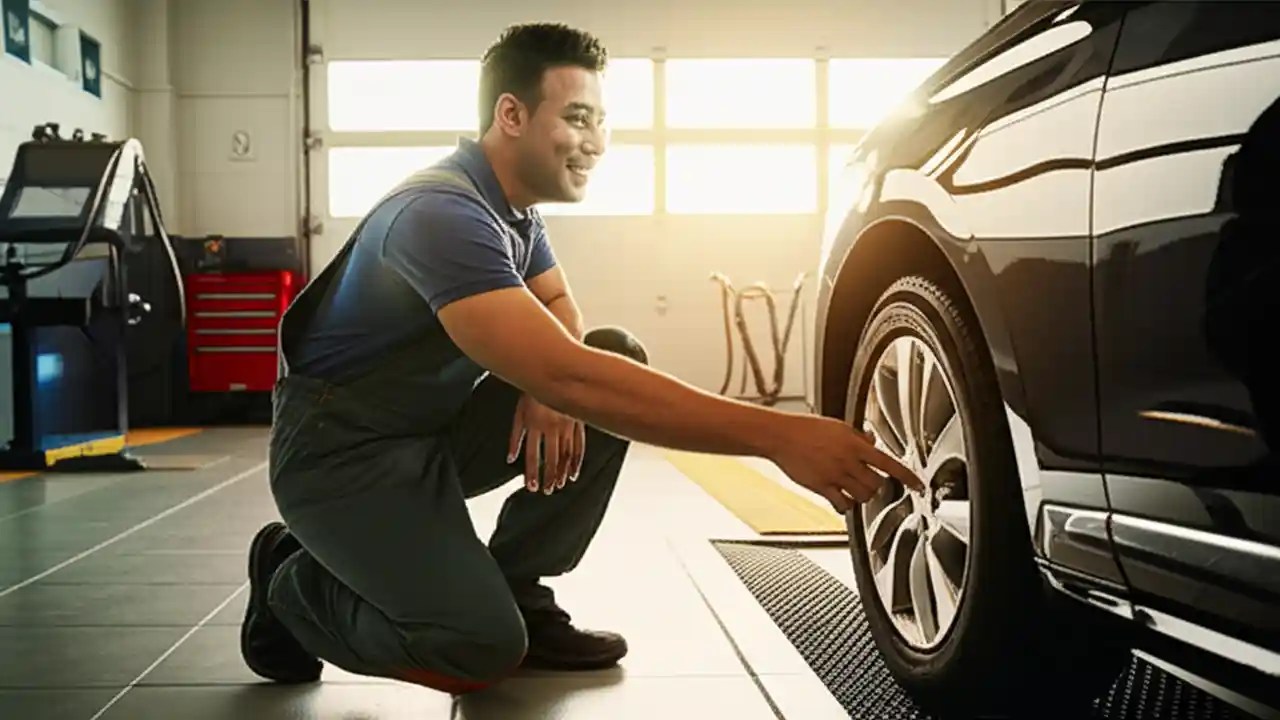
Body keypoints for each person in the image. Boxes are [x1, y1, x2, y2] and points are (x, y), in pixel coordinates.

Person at [240, 22, 920, 695]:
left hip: (429, 433)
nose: (597, 142)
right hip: (342, 457)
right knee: (477, 649)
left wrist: (546, 389)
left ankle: (517, 587)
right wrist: (778, 436)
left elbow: (560, 305)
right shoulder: (441, 213)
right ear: (512, 114)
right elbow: (570, 372)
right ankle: (289, 587)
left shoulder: (512, 211)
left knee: (610, 355)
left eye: (602, 120)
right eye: (578, 117)